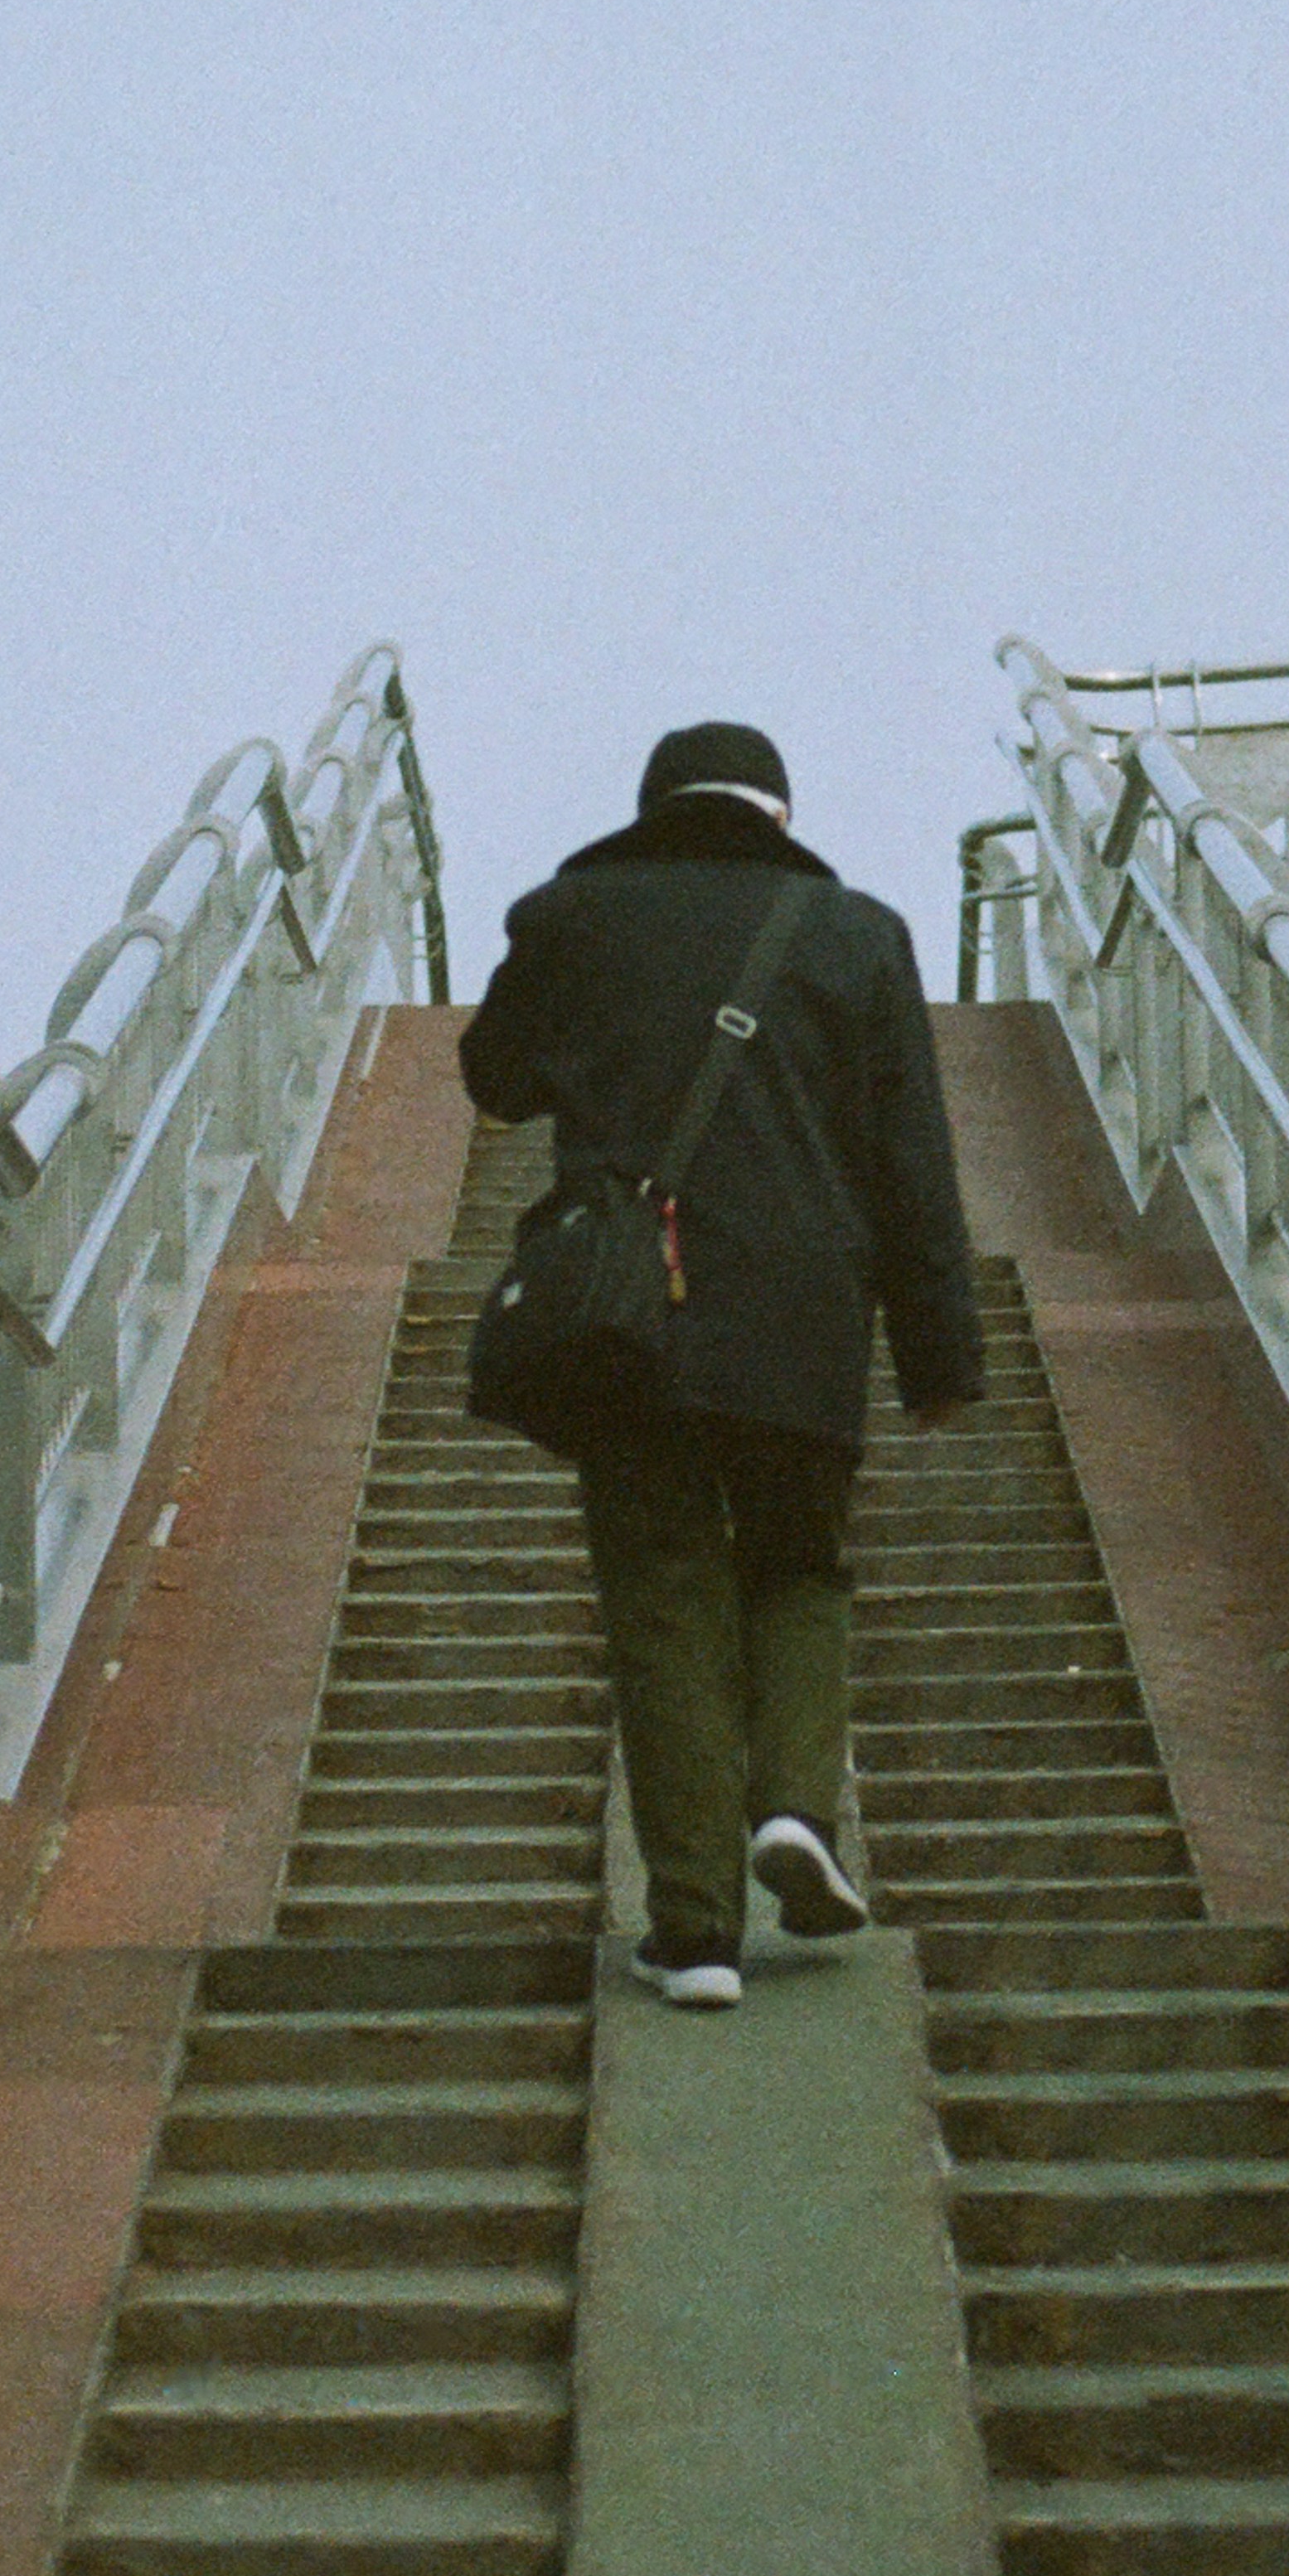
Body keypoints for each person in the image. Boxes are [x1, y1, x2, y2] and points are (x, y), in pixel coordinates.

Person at [458, 719, 981, 2008]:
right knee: (801, 1566)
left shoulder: (569, 913)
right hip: (808, 1319)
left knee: (661, 1585)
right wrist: (936, 1354)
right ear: (779, 819)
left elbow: (496, 1079)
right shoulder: (859, 937)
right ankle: (796, 1805)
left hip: (632, 1311)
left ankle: (693, 1930)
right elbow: (912, 1162)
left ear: (655, 812)